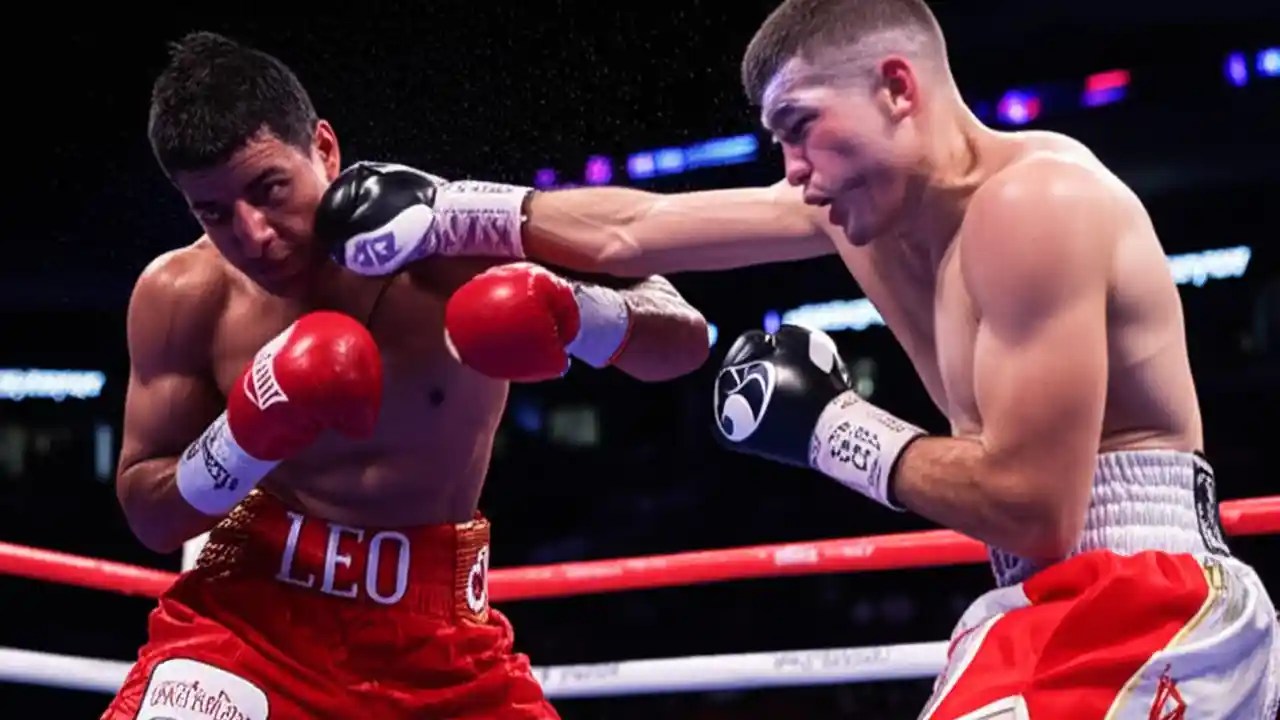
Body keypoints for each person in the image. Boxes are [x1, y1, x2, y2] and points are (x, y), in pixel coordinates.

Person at [321, 0, 1280, 716]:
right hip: (1043, 597)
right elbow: (635, 228)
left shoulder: (1036, 205)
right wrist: (452, 209)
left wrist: (831, 427)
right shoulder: (863, 210)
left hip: (1148, 590)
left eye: (799, 128)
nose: (790, 170)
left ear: (897, 89)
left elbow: (1037, 505)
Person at [106, 31, 710, 720]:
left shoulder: (454, 239)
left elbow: (684, 337)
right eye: (213, 212)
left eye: (268, 188)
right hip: (251, 621)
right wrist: (247, 433)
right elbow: (151, 516)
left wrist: (579, 314)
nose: (253, 235)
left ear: (324, 149)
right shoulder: (184, 293)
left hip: (443, 644)